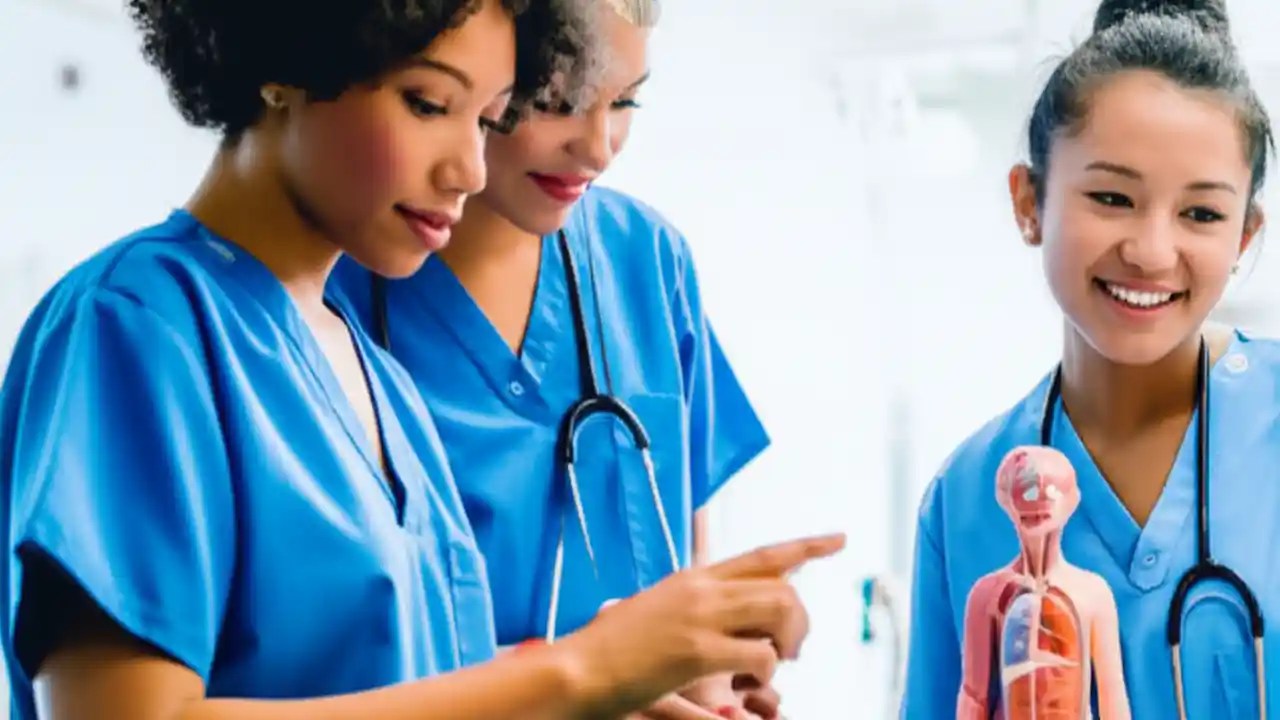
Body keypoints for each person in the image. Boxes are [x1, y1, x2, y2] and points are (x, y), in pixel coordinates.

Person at [0, 1, 847, 719]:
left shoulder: (374, 380)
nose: (470, 169)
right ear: (291, 55)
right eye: (427, 104)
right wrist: (580, 672)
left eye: (486, 119)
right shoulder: (136, 326)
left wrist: (612, 695)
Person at [329, 1, 774, 718]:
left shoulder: (647, 263)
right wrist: (580, 684)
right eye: (555, 102)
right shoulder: (334, 306)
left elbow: (687, 562)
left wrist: (715, 675)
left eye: (626, 101)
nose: (598, 147)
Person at [900, 0, 1275, 717]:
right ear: (1029, 202)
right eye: (1111, 197)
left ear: (1246, 236)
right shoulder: (968, 499)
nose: (1153, 251)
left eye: (1201, 214)